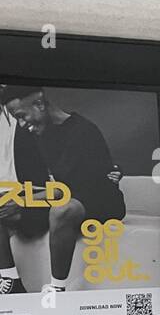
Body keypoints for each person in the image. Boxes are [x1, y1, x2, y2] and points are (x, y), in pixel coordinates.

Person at [1, 86, 124, 293]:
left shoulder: (83, 131)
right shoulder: (32, 133)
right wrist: (17, 199)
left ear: (39, 104)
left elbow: (71, 188)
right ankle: (11, 279)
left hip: (100, 199)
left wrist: (24, 201)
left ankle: (58, 289)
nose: (21, 124)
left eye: (22, 116)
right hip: (62, 195)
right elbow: (41, 182)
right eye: (16, 119)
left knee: (62, 210)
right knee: (3, 201)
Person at [0, 98, 51, 296]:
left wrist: (22, 201)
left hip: (34, 199)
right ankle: (11, 280)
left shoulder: (26, 122)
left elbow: (58, 177)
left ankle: (10, 280)